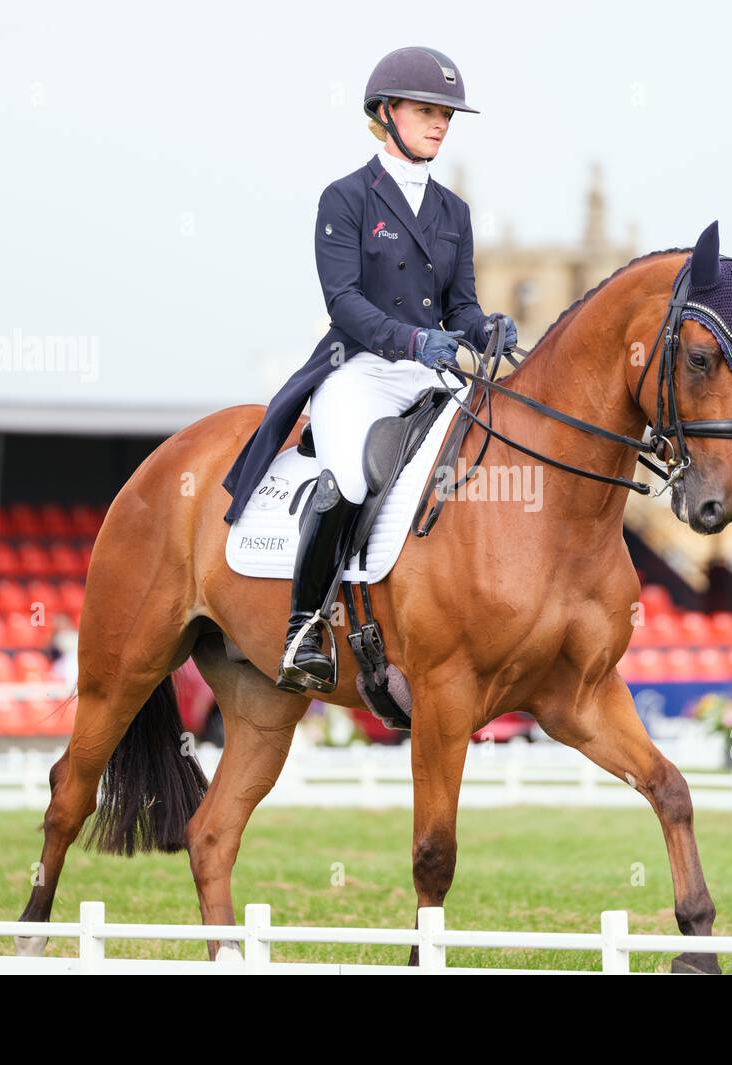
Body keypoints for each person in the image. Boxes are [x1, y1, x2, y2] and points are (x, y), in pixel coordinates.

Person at [219, 46, 517, 693]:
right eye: (425, 110)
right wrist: (414, 340)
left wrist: (484, 327)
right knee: (353, 474)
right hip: (356, 368)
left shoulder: (454, 213)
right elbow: (344, 302)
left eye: (446, 114)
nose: (440, 123)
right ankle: (305, 625)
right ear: (385, 115)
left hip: (428, 373)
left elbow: (459, 305)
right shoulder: (347, 198)